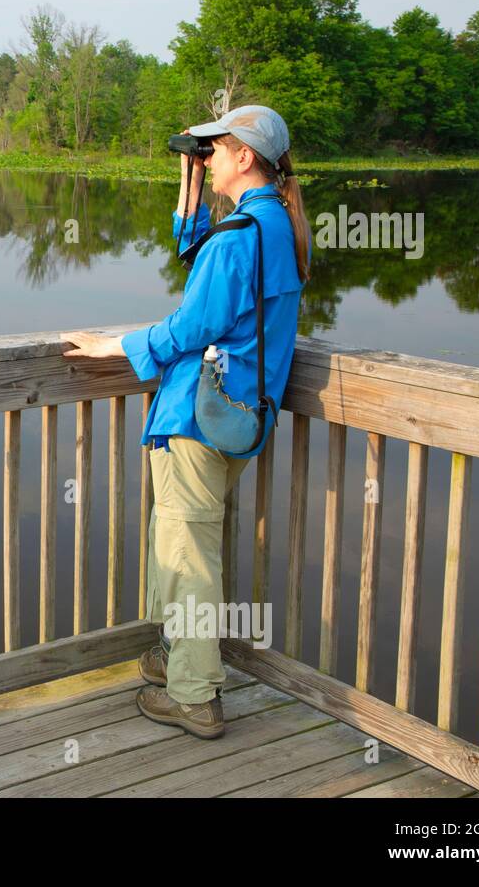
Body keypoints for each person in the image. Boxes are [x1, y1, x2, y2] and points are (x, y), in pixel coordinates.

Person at [61, 104, 310, 740]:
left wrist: (115, 346)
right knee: (183, 542)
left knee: (189, 555)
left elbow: (193, 324)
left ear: (244, 156)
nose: (207, 158)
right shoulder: (274, 227)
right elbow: (197, 258)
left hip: (197, 421)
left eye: (214, 150)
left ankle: (196, 696)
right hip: (240, 417)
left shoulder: (239, 238)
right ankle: (179, 654)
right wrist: (191, 187)